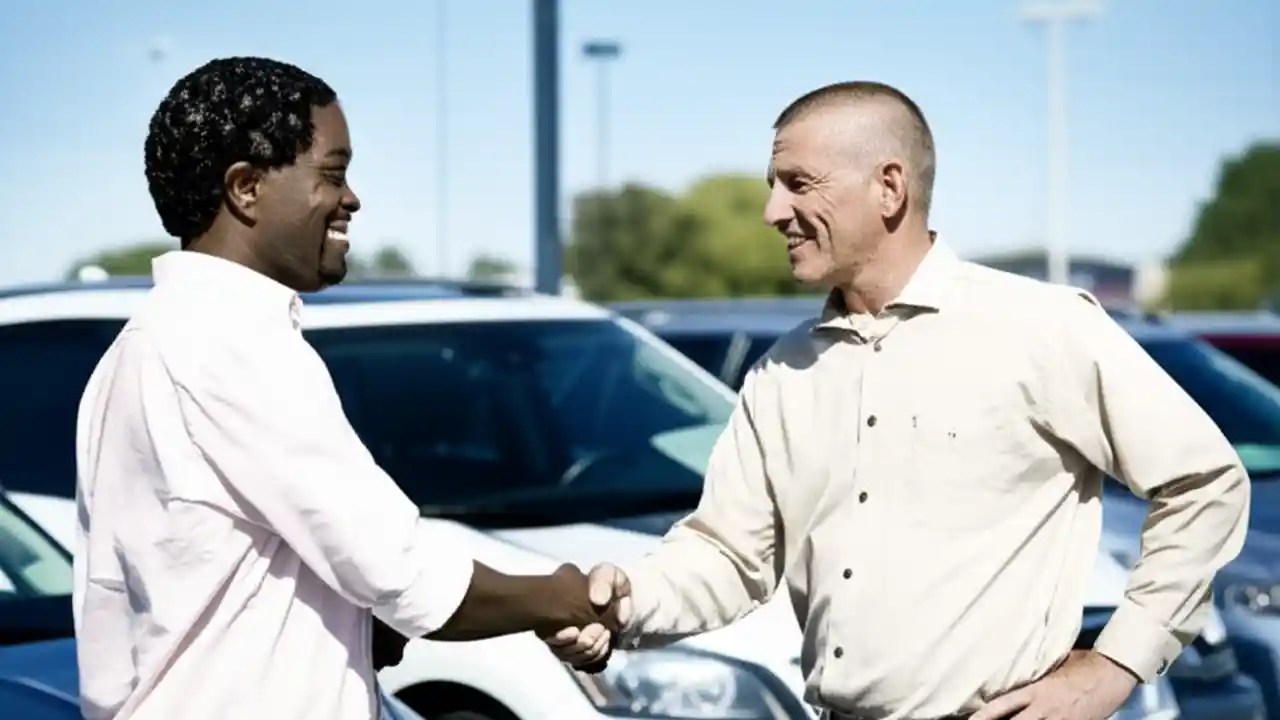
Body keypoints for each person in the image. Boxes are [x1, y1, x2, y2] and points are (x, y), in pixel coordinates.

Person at [544, 80, 1251, 720]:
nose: (771, 211)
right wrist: (626, 602)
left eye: (797, 184)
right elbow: (729, 557)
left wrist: (1115, 664)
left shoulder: (1042, 328)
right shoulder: (782, 373)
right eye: (772, 186)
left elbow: (1204, 483)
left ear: (889, 188)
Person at [72, 56, 618, 720]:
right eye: (331, 174)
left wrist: (363, 623)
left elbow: (219, 574)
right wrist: (558, 596)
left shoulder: (139, 349)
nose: (350, 198)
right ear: (245, 187)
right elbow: (402, 572)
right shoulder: (233, 344)